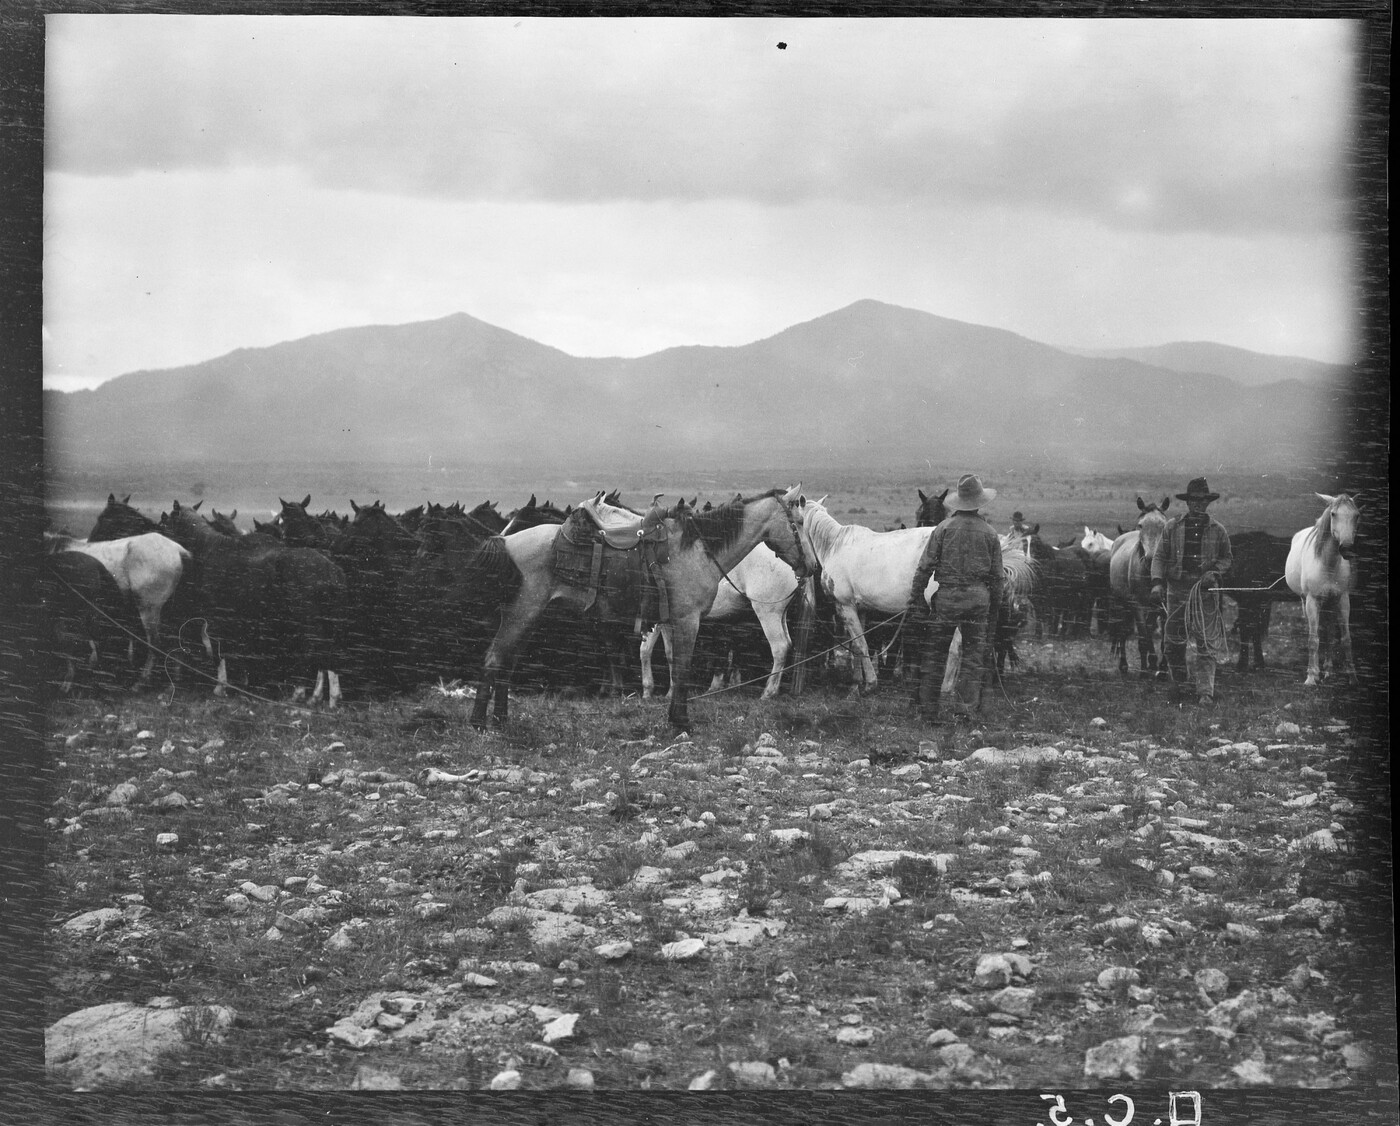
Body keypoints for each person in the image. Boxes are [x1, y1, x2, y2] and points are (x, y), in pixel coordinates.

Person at [907, 474, 1004, 723]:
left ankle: (929, 712)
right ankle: (965, 712)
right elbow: (997, 578)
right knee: (973, 658)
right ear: (979, 502)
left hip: (948, 598)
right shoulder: (990, 533)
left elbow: (924, 567)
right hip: (978, 601)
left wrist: (916, 598)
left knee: (935, 655)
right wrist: (995, 606)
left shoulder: (943, 528)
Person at [1151, 477, 1233, 705]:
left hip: (1204, 592)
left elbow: (1227, 557)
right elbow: (1159, 556)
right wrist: (1157, 582)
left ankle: (1205, 692)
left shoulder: (1218, 531)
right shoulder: (1172, 527)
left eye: (1202, 500)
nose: (1198, 504)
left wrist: (1214, 571)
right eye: (1194, 500)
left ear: (1207, 502)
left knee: (1206, 642)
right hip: (1176, 590)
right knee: (1172, 642)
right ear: (1188, 502)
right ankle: (1180, 683)